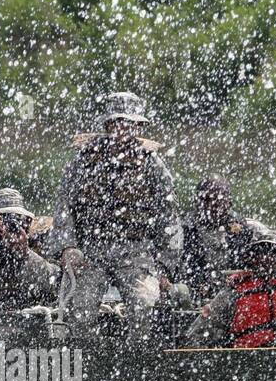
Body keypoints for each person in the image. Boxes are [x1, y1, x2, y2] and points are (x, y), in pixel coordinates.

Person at [48, 92, 181, 344]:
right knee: (78, 312)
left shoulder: (152, 164)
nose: (123, 129)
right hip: (90, 250)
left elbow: (169, 218)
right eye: (118, 122)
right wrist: (68, 247)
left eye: (130, 123)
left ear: (138, 126)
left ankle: (136, 362)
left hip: (135, 251)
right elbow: (64, 207)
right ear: (108, 125)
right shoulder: (83, 161)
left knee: (145, 308)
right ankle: (92, 361)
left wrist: (164, 267)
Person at [178, 175, 276, 302]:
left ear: (229, 202)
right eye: (206, 199)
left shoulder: (246, 227)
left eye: (218, 200)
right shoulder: (182, 229)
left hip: (237, 292)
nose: (212, 205)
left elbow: (274, 241)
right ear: (197, 201)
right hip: (194, 293)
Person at [186, 240, 276, 348]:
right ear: (252, 259)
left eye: (274, 253)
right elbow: (199, 331)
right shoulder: (234, 291)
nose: (267, 258)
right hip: (246, 358)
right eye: (261, 254)